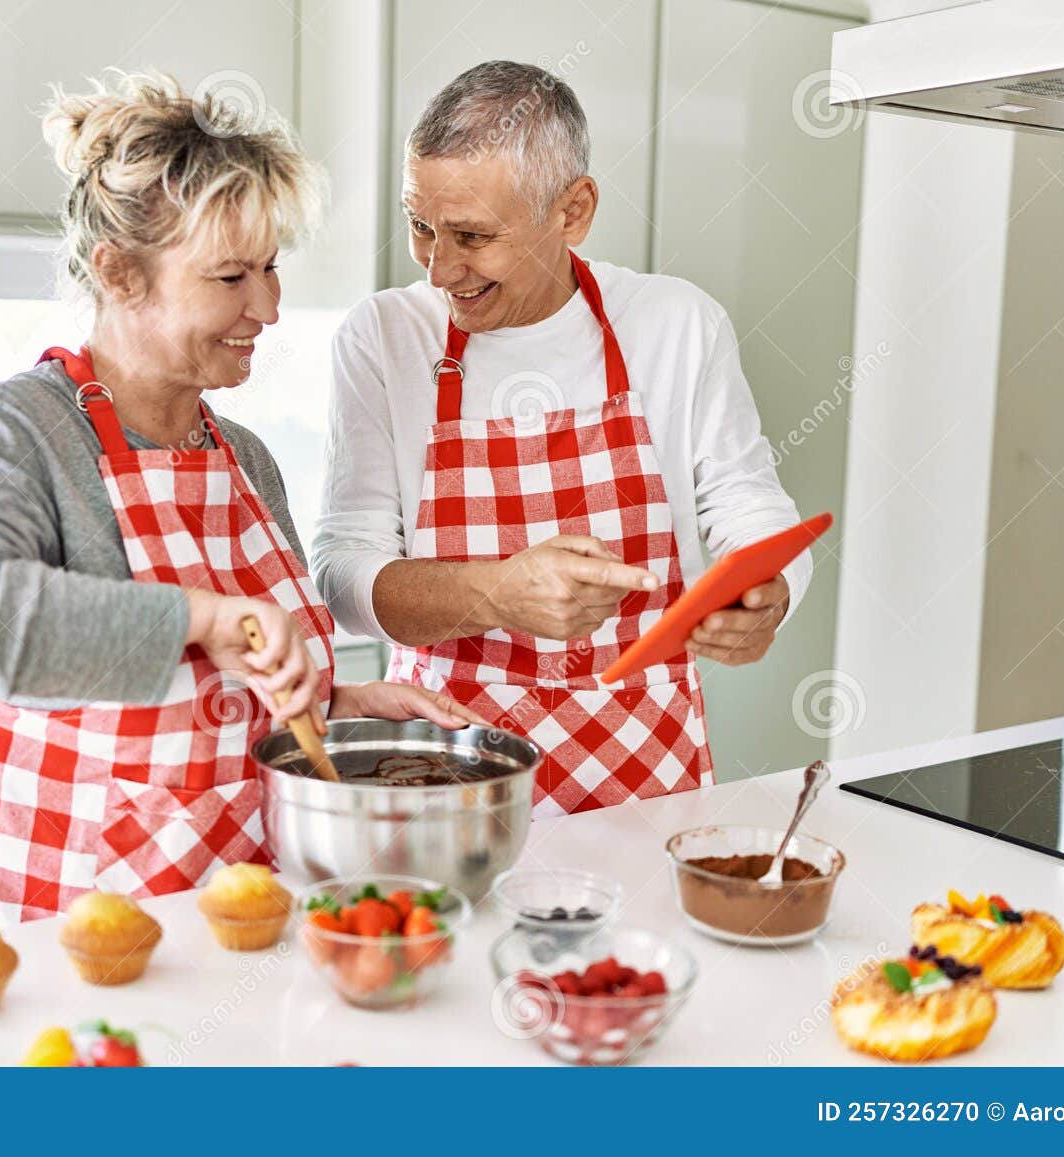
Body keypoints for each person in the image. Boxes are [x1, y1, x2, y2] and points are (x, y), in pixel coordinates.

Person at [0, 73, 477, 929]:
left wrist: (331, 704)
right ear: (120, 273)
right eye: (231, 276)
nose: (269, 307)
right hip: (56, 941)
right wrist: (202, 617)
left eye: (271, 267)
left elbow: (225, 699)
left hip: (229, 924)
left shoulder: (244, 459)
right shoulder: (20, 434)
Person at [312, 61, 812, 816]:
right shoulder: (385, 336)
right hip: (449, 775)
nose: (440, 268)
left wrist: (770, 592)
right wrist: (495, 594)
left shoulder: (676, 324)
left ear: (573, 211)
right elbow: (341, 575)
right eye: (420, 225)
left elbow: (749, 503)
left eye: (472, 236)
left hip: (644, 773)